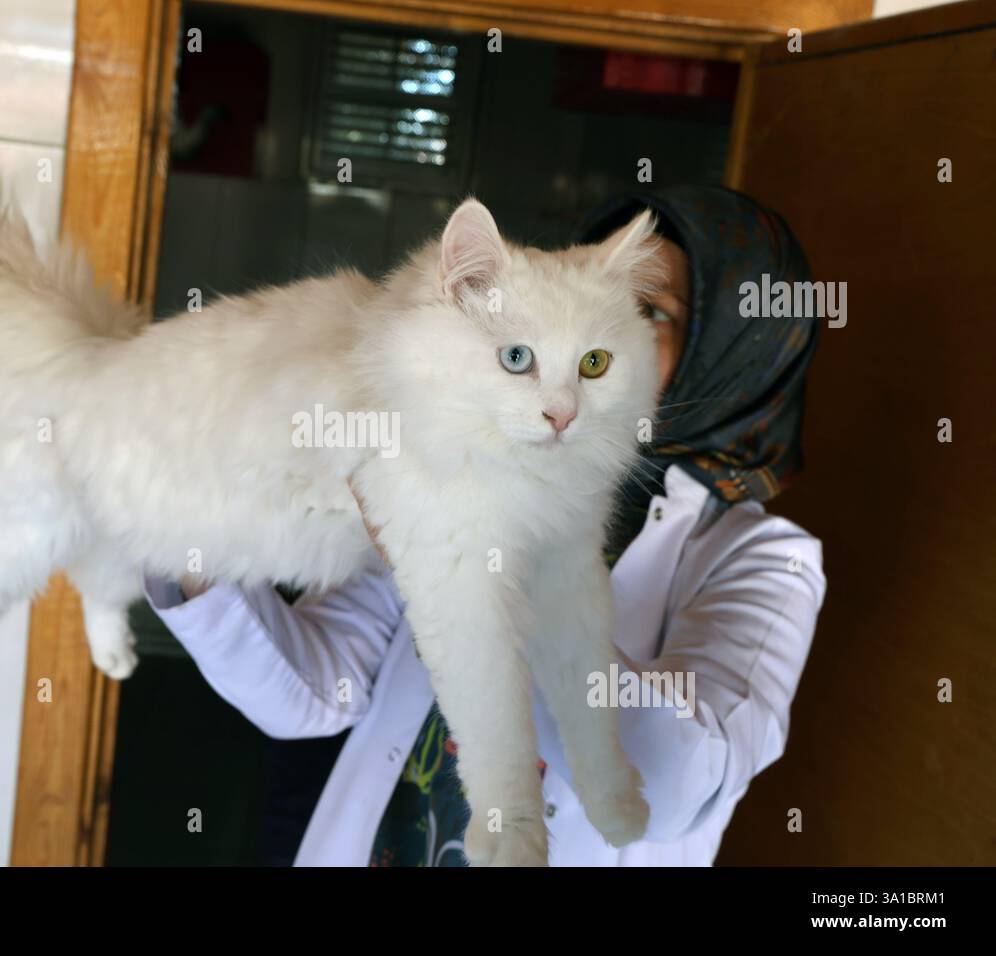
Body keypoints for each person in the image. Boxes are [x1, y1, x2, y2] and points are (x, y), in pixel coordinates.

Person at [142, 186, 826, 865]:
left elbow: (673, 785)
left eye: (648, 310)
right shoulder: (464, 460)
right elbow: (322, 692)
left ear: (741, 350)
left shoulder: (765, 562)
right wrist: (189, 533)